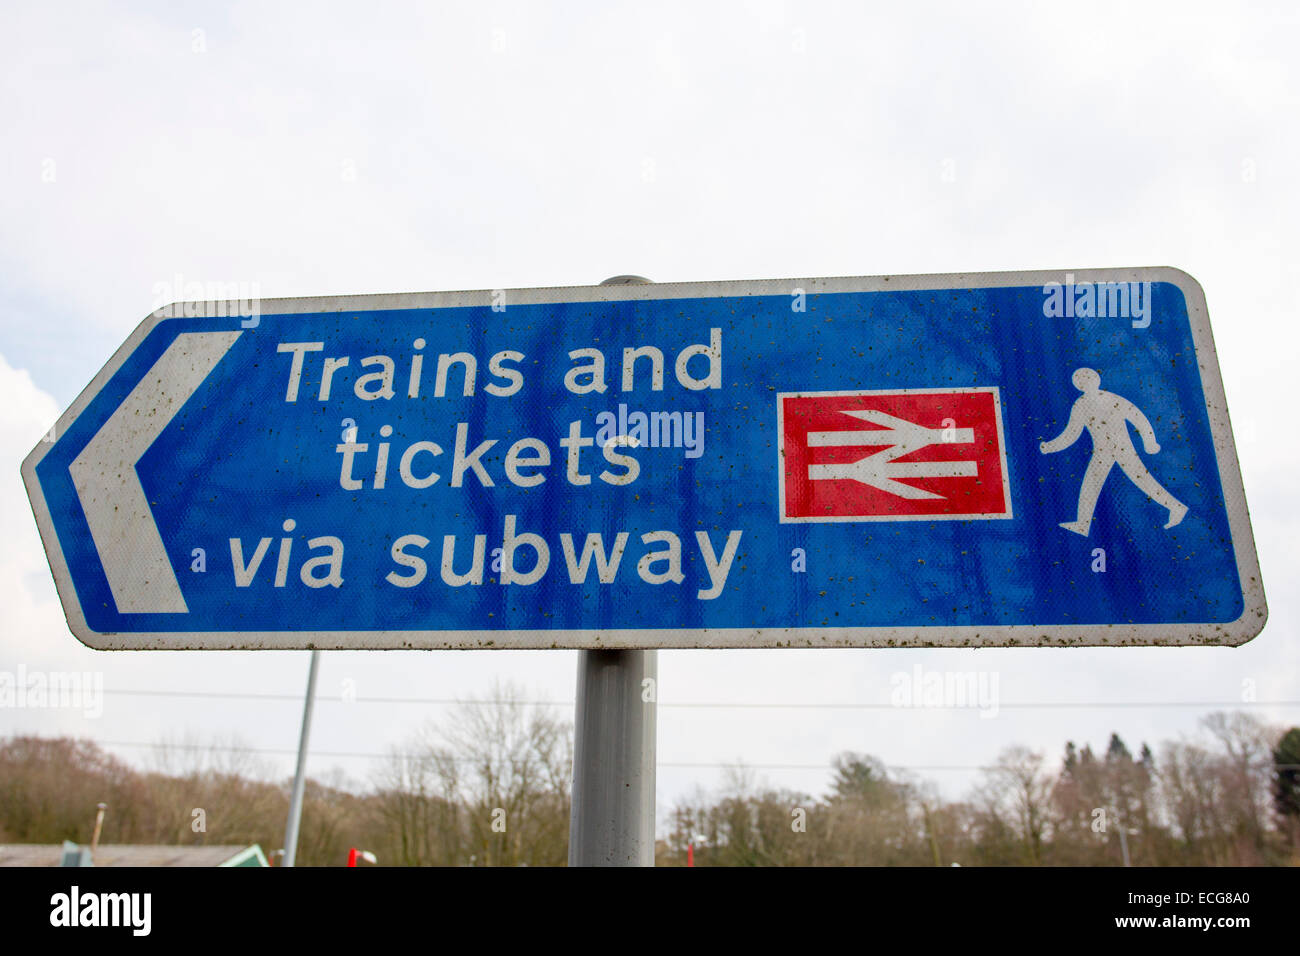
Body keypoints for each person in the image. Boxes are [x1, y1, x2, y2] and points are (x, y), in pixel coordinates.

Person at [1039, 368, 1188, 536]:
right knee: (1090, 485)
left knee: (1144, 481)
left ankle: (1177, 507)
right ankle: (1082, 524)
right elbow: (1071, 433)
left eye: (1088, 379)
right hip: (1102, 451)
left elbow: (1137, 417)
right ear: (1078, 385)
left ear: (1096, 380)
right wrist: (1050, 447)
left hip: (1122, 448)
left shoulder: (1110, 398)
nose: (1085, 383)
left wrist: (1150, 441)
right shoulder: (1080, 405)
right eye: (1081, 381)